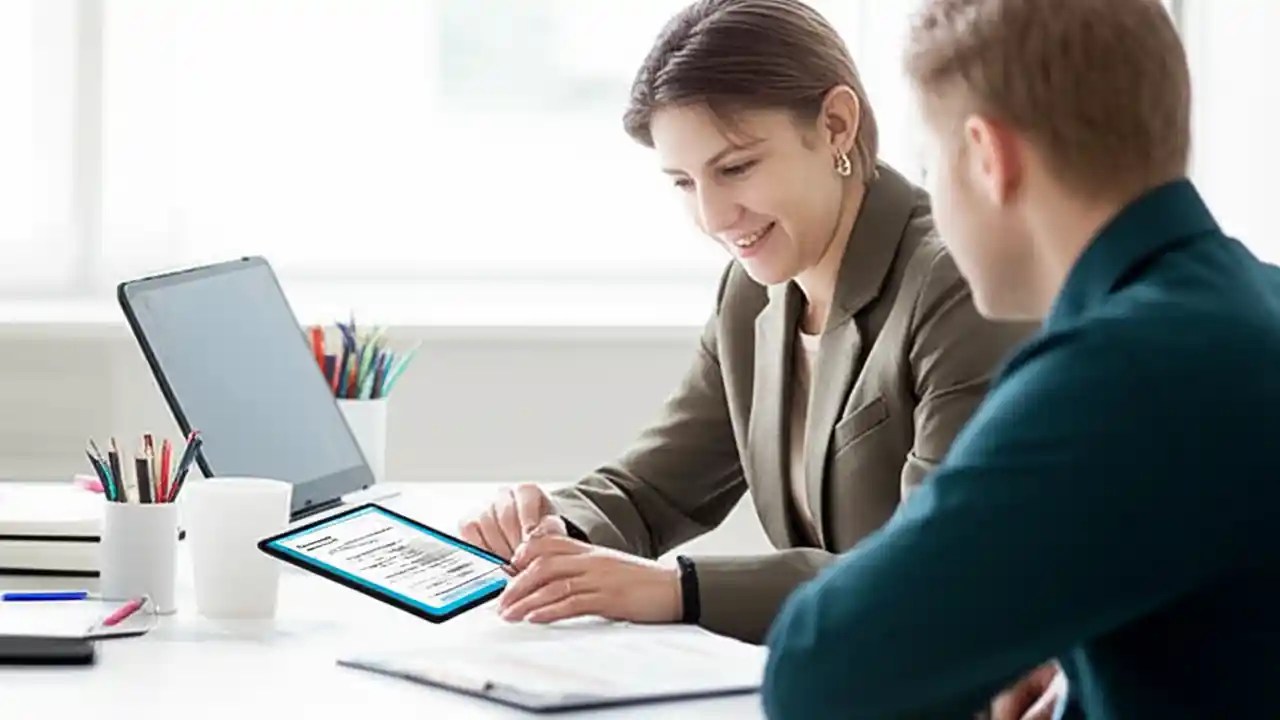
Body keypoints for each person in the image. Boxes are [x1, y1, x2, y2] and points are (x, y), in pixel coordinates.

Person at [762, 0, 1280, 717]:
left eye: (926, 163)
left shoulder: (1117, 372)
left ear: (987, 157)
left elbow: (822, 672)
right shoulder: (1255, 306)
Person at [457, 0, 1029, 645]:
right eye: (682, 182)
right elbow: (655, 488)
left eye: (735, 168)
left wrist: (679, 589)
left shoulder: (955, 283)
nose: (713, 217)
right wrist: (555, 529)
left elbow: (940, 571)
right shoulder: (754, 295)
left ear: (837, 124)